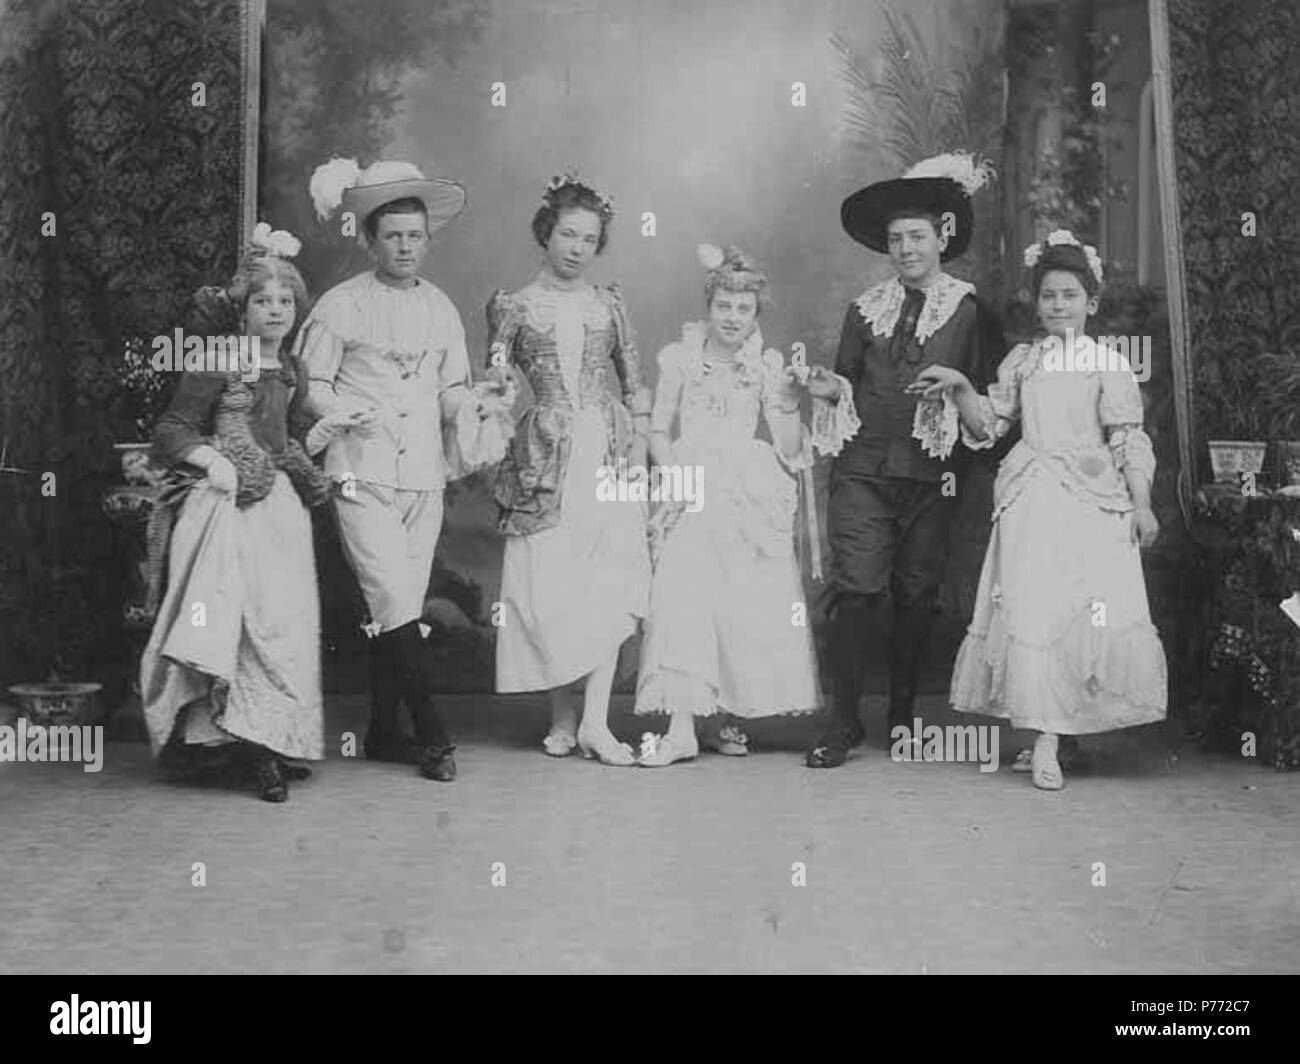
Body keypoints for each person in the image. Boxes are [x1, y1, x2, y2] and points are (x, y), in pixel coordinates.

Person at [910, 230, 1167, 789]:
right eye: (1049, 296)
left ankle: (1063, 733)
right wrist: (959, 387)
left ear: (1091, 303)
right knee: (1036, 610)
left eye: (1070, 296)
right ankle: (1045, 737)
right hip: (1032, 497)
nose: (1058, 306)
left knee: (1082, 613)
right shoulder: (1023, 362)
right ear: (1037, 302)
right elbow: (989, 425)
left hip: (1092, 498)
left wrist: (1142, 505)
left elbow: (1128, 438)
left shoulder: (1108, 363)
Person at [298, 158, 512, 783]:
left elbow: (449, 391)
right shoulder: (341, 306)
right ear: (369, 240)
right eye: (392, 235)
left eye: (415, 236)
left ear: (427, 240)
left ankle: (382, 731)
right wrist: (342, 410)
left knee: (404, 603)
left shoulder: (440, 308)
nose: (405, 247)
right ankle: (433, 734)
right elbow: (310, 383)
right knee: (390, 596)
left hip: (422, 472)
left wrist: (477, 402)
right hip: (361, 469)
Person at [804, 151, 1004, 769]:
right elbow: (845, 384)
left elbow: (994, 405)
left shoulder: (971, 311)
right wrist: (829, 388)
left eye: (916, 236)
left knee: (917, 595)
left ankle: (900, 713)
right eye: (895, 239)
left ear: (941, 238)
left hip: (934, 478)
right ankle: (841, 723)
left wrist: (958, 385)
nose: (905, 248)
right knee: (856, 589)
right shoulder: (865, 310)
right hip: (863, 470)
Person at [634, 244, 854, 766]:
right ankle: (682, 725)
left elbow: (790, 448)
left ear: (756, 313)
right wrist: (678, 477)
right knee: (686, 593)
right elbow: (659, 430)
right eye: (723, 307)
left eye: (743, 309)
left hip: (745, 483)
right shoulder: (680, 358)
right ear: (708, 307)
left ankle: (724, 712)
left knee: (738, 601)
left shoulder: (765, 364)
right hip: (693, 478)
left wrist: (785, 399)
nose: (732, 318)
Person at [141, 223, 335, 803]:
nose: (275, 310)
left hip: (280, 509)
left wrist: (320, 433)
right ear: (242, 310)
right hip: (227, 505)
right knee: (237, 619)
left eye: (284, 301)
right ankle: (242, 749)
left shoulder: (293, 369)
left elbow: (287, 436)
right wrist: (209, 459)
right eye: (262, 301)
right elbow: (172, 429)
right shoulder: (221, 359)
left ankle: (270, 738)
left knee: (284, 624)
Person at [490, 171, 652, 766]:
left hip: (604, 451)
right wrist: (494, 403)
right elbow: (496, 383)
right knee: (548, 589)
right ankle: (561, 716)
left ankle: (596, 721)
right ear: (546, 233)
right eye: (567, 234)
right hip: (544, 456)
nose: (577, 247)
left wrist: (638, 450)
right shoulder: (513, 306)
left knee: (608, 583)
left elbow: (635, 386)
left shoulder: (609, 305)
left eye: (588, 237)